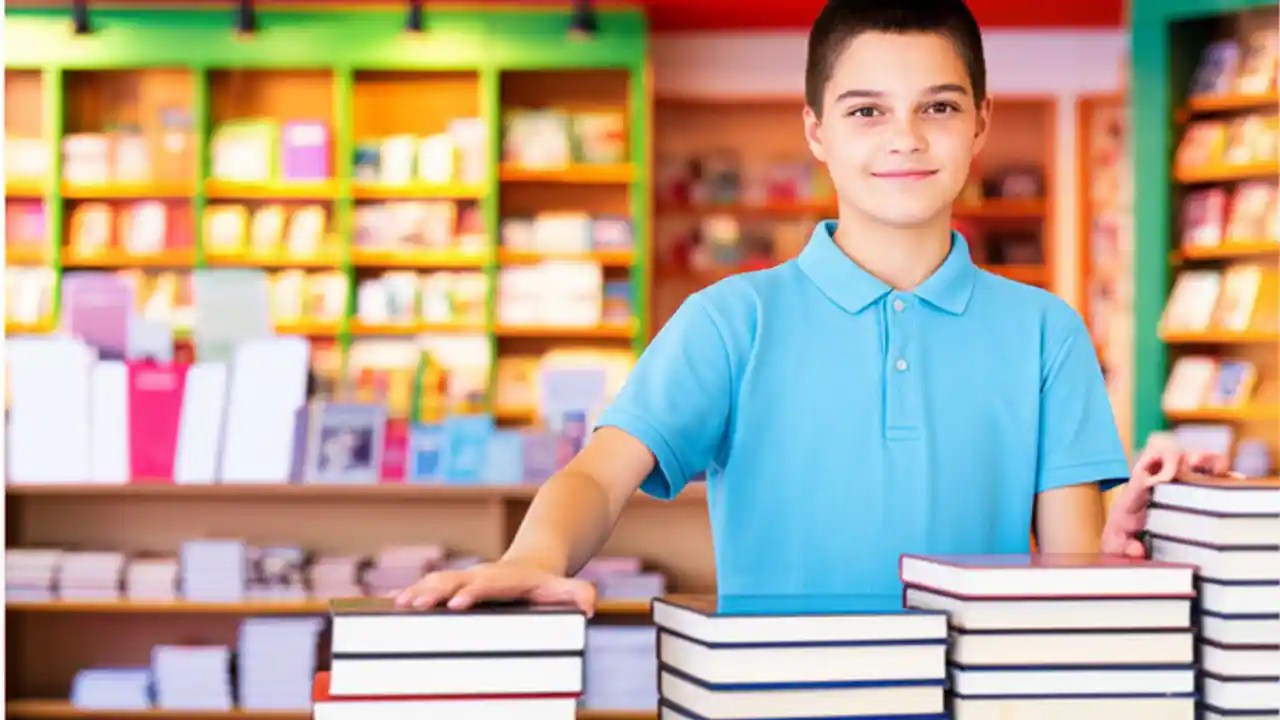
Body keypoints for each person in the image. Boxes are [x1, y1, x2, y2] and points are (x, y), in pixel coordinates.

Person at [395, 0, 1228, 614]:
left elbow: (1070, 575)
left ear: (980, 122)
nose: (904, 136)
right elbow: (597, 477)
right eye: (866, 111)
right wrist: (534, 553)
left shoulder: (1047, 333)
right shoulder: (731, 320)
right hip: (769, 700)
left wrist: (1131, 549)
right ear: (816, 130)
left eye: (937, 107)